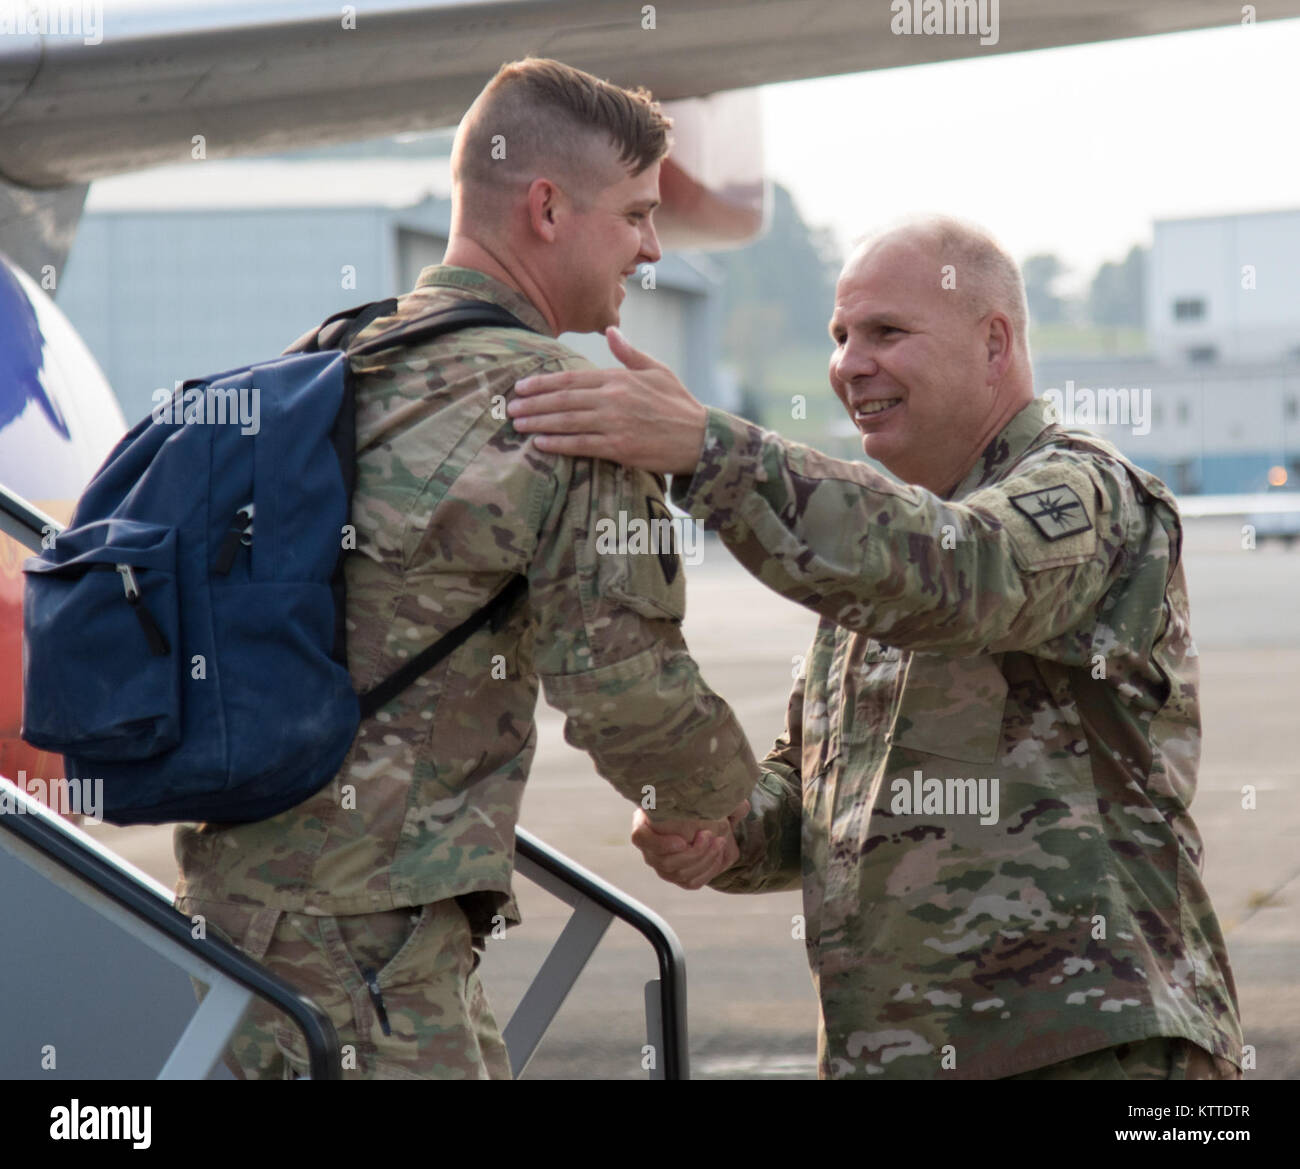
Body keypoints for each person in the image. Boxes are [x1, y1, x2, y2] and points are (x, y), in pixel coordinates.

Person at [507, 215, 1244, 1080]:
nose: (851, 362)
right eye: (840, 335)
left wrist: (710, 451)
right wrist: (725, 827)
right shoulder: (875, 561)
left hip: (1095, 1051)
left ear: (994, 342)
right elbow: (819, 794)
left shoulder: (1083, 492)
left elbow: (974, 571)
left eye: (887, 332)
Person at [172, 57, 757, 1080]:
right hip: (369, 946)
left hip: (239, 916)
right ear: (545, 206)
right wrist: (715, 806)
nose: (653, 247)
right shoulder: (560, 410)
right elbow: (622, 682)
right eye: (634, 214)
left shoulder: (335, 361)